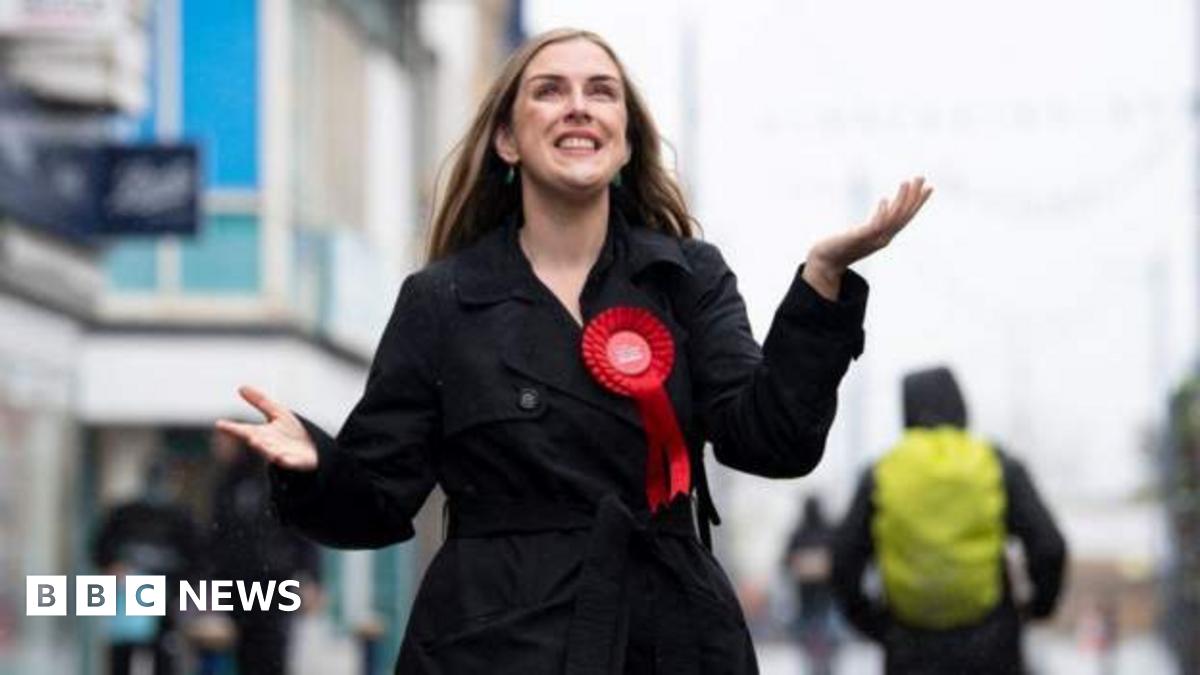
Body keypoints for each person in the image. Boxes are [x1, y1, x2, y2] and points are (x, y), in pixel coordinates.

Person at [215, 28, 932, 674]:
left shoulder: (685, 277)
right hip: (492, 642)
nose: (578, 107)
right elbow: (375, 501)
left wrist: (822, 283)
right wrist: (315, 460)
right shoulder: (442, 300)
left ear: (624, 139)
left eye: (602, 92)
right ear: (507, 140)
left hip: (668, 637)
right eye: (549, 90)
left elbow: (773, 440)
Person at [831, 366, 1067, 675]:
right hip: (992, 645)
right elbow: (1050, 547)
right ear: (960, 406)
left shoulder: (882, 473)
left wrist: (878, 626)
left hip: (909, 649)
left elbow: (843, 562)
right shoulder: (995, 465)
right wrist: (1036, 609)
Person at [207, 429, 321, 675]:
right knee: (244, 656)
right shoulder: (224, 486)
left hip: (274, 582)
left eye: (223, 441)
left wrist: (310, 577)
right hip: (236, 586)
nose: (217, 447)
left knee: (271, 653)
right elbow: (217, 540)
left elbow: (301, 532)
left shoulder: (273, 481)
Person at [92, 460, 203, 675]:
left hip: (164, 601)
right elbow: (101, 550)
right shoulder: (126, 515)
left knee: (162, 658)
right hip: (129, 600)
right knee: (124, 657)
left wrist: (180, 592)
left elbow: (196, 562)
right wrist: (114, 567)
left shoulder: (181, 519)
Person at [782, 496, 840, 675]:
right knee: (826, 641)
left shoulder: (798, 535)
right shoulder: (830, 532)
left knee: (811, 642)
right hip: (826, 598)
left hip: (809, 598)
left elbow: (785, 562)